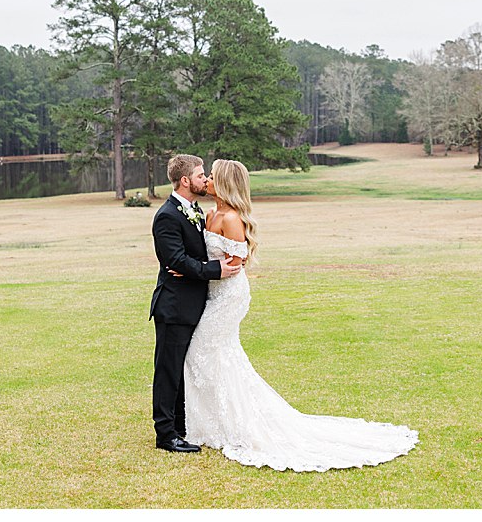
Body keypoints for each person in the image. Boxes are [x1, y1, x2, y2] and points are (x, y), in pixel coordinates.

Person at [173, 158, 419, 471]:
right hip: (213, 294)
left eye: (210, 176)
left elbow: (235, 267)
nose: (205, 180)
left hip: (228, 298)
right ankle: (213, 421)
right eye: (203, 176)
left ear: (222, 183)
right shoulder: (210, 213)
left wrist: (201, 272)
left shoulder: (231, 218)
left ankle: (229, 424)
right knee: (216, 355)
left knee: (203, 352)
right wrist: (190, 270)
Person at [149, 154, 242, 453]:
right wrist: (213, 269)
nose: (205, 179)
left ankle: (181, 426)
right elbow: (175, 260)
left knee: (183, 367)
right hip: (174, 305)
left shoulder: (195, 210)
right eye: (202, 175)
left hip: (197, 302)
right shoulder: (167, 215)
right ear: (186, 180)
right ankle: (166, 434)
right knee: (168, 369)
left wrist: (198, 265)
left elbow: (194, 256)